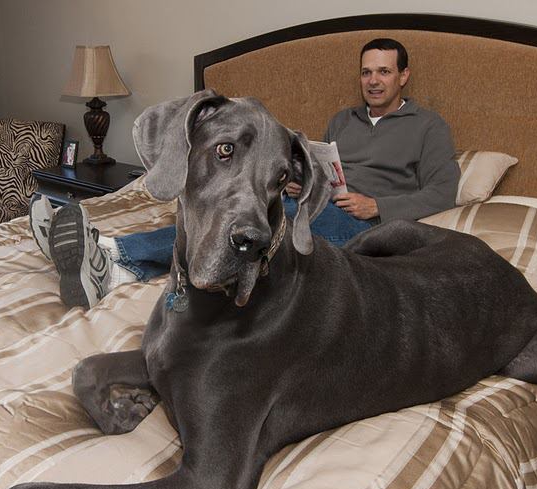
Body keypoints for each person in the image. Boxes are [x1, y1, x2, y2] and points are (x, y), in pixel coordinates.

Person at [30, 38, 460, 308]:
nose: (373, 80)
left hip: (361, 224)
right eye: (366, 72)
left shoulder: (428, 126)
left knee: (272, 221)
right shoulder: (343, 121)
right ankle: (116, 268)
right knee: (229, 214)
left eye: (384, 71)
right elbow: (327, 171)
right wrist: (289, 183)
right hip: (317, 203)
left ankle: (111, 251)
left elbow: (444, 191)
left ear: (403, 76)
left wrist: (376, 206)